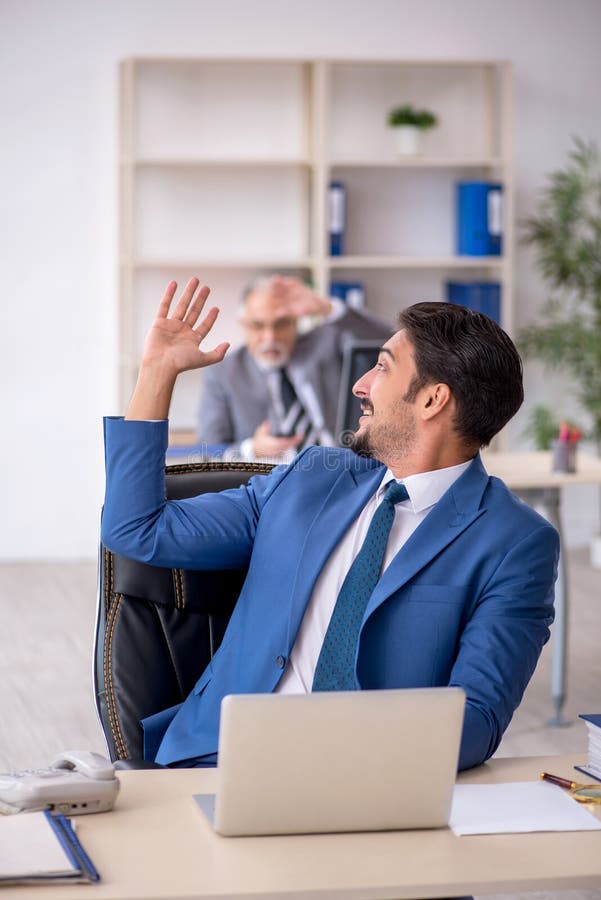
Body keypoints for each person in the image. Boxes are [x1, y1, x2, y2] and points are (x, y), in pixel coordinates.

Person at [102, 277, 559, 771]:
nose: (360, 385)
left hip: (365, 782)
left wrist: (333, 753)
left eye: (382, 367)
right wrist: (156, 373)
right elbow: (136, 528)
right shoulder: (312, 480)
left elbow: (477, 721)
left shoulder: (515, 543)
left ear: (433, 400)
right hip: (217, 758)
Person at [197, 274, 392, 458]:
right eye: (258, 326)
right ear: (243, 325)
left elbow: (389, 340)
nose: (270, 337)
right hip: (270, 482)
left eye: (281, 324)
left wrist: (327, 308)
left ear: (296, 322)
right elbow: (208, 451)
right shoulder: (223, 372)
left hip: (342, 466)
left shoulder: (322, 345)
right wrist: (251, 449)